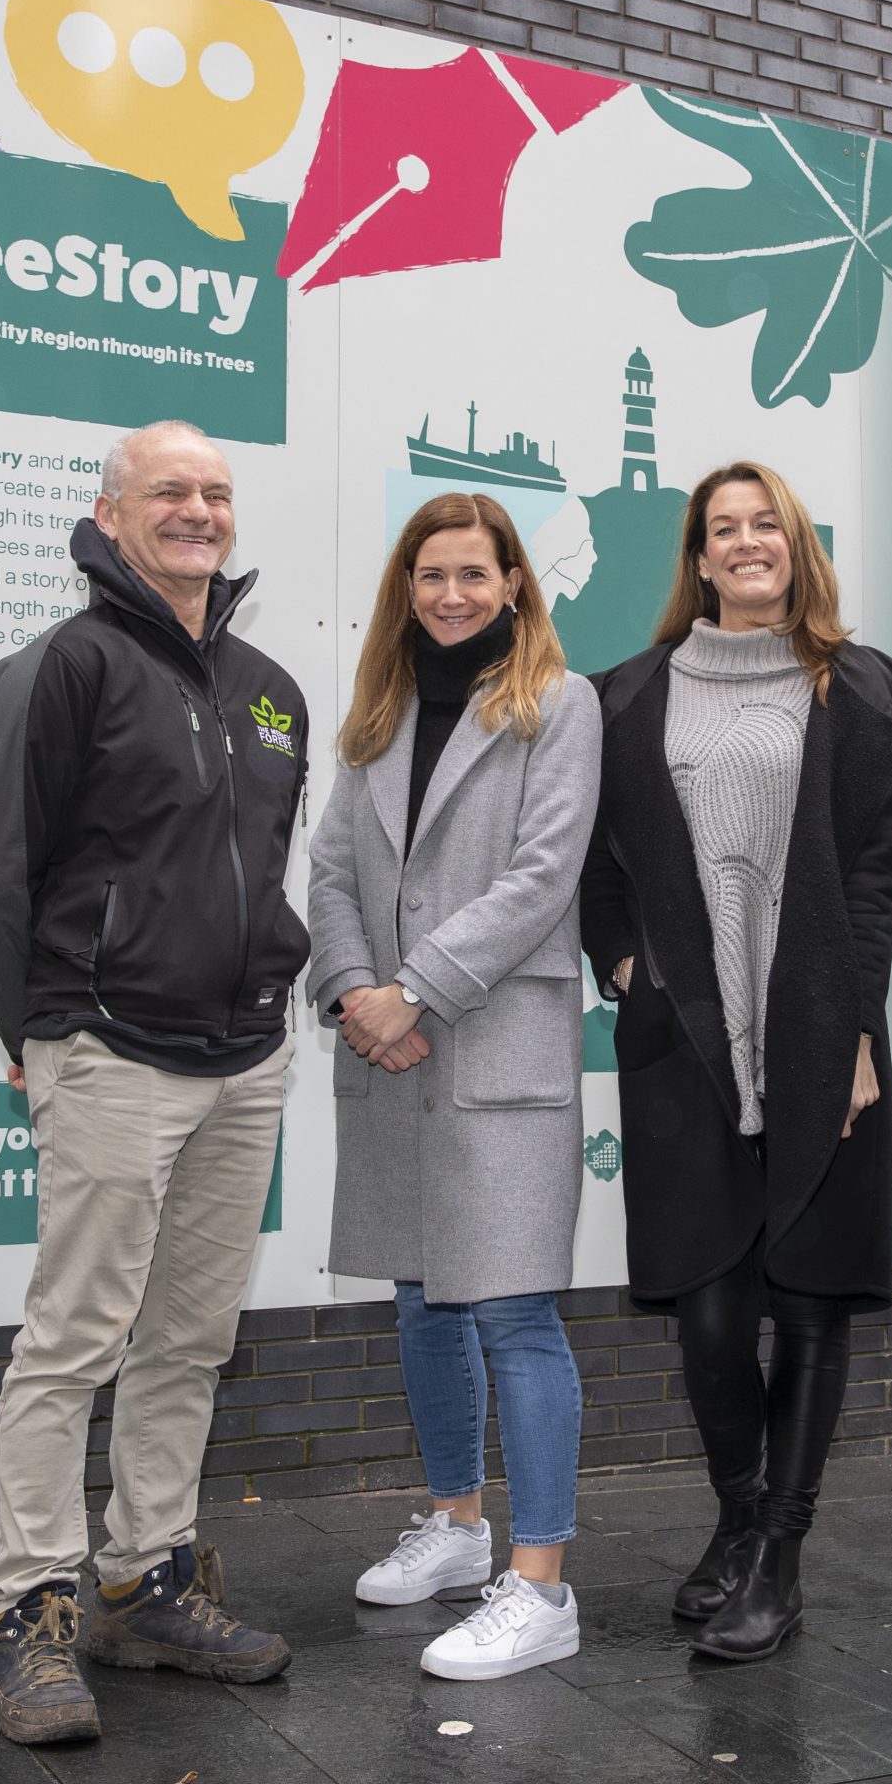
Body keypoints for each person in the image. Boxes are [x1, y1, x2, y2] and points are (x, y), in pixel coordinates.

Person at [0, 419, 310, 1745]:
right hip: (107, 1045)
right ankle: (30, 1604)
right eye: (171, 491)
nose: (198, 510)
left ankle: (144, 1578)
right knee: (72, 1340)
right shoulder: (64, 666)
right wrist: (35, 1024)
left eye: (216, 491)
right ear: (112, 511)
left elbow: (256, 871)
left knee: (191, 1336)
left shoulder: (271, 690)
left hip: (247, 1056)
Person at [580, 461, 892, 1663]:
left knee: (814, 1304)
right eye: (721, 528)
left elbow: (878, 880)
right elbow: (597, 867)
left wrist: (858, 1031)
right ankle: (736, 1517)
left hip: (824, 1033)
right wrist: (627, 966)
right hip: (684, 1032)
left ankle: (778, 1557)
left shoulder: (861, 689)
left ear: (795, 544)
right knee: (714, 1311)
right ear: (696, 553)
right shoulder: (625, 697)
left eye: (762, 524)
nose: (743, 543)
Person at [306, 492, 601, 1680]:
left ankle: (542, 1582)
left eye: (473, 572)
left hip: (491, 1042)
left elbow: (543, 875)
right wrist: (351, 993)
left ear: (514, 582)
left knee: (514, 1309)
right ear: (406, 586)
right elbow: (329, 869)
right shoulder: (377, 714)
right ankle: (457, 1525)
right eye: (430, 574)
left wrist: (411, 989)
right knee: (422, 1297)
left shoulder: (559, 705)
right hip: (390, 1047)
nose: (450, 593)